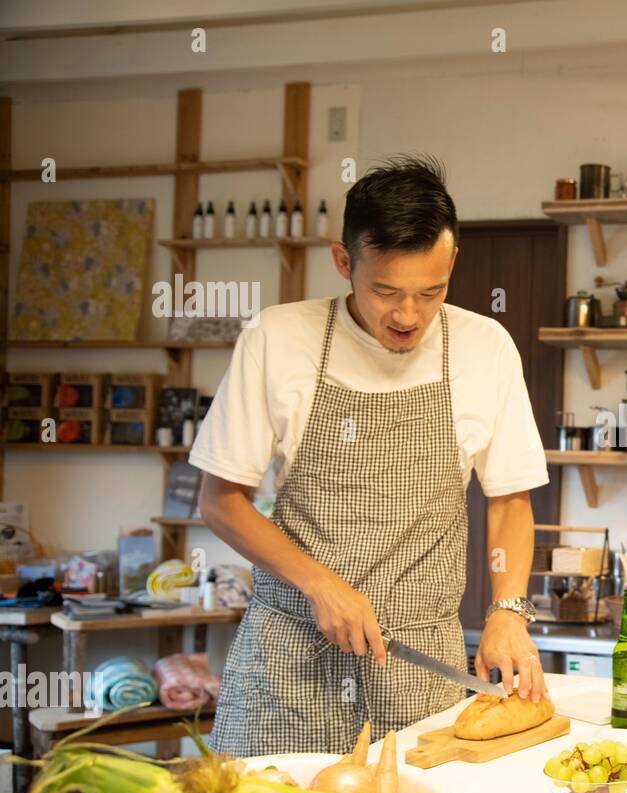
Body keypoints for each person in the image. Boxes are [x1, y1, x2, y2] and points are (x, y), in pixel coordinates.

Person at [192, 155, 550, 757]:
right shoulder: (277, 338)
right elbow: (220, 502)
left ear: (452, 261)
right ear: (343, 262)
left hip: (419, 671)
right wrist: (318, 583)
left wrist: (507, 611)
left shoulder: (485, 347)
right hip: (288, 664)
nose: (407, 316)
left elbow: (510, 498)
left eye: (430, 292)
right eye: (385, 291)